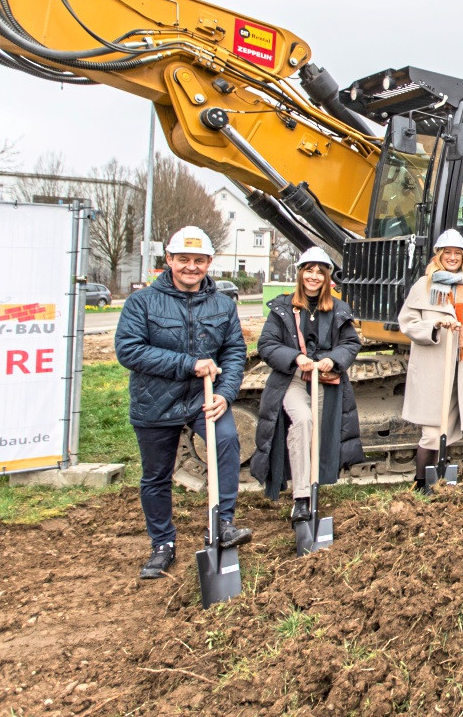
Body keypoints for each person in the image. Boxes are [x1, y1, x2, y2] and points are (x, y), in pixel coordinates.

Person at [114, 226, 253, 580]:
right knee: (156, 475)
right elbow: (129, 350)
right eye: (184, 259)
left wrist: (226, 392)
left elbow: (235, 351)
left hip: (203, 400)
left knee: (227, 444)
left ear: (209, 263)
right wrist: (188, 364)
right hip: (155, 402)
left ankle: (221, 524)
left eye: (199, 260)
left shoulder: (222, 304)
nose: (191, 267)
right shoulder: (141, 302)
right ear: (169, 260)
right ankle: (162, 544)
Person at [250, 247, 365, 519]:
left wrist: (333, 360)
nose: (314, 277)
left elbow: (350, 343)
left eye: (320, 272)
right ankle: (301, 497)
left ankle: (315, 485)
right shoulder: (282, 308)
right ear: (300, 274)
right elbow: (267, 344)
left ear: (327, 278)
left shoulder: (338, 309)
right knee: (302, 421)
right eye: (309, 271)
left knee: (322, 434)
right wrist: (295, 357)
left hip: (326, 381)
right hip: (292, 380)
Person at [398, 230, 463, 492]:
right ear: (438, 255)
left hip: (460, 372)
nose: (452, 257)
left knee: (447, 432)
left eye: (457, 253)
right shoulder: (423, 286)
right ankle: (421, 483)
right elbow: (407, 323)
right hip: (431, 372)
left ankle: (435, 484)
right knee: (432, 434)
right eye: (447, 252)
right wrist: (436, 324)